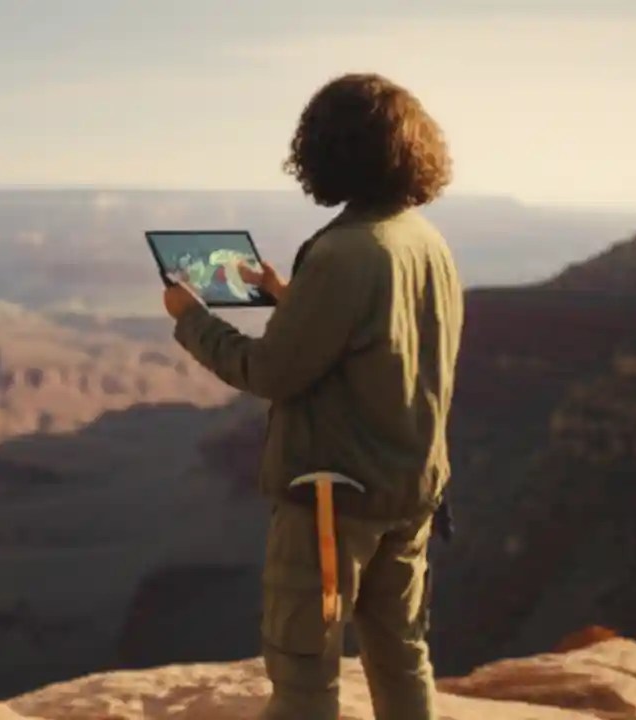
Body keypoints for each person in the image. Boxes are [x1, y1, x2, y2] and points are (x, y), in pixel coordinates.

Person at [161, 73, 462, 720]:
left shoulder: (345, 252)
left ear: (329, 151)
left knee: (303, 669)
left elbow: (269, 370)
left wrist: (190, 317)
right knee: (402, 653)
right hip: (410, 491)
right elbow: (377, 343)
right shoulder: (426, 242)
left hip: (334, 499)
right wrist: (286, 296)